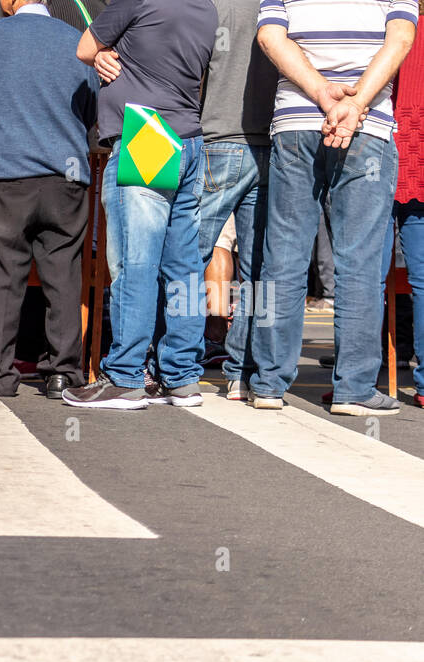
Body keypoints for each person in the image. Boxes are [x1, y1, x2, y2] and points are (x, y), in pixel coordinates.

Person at [251, 0, 416, 416]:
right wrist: (354, 103)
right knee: (358, 261)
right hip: (367, 126)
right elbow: (400, 38)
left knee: (283, 257)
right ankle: (355, 389)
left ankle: (269, 384)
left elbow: (270, 36)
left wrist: (320, 91)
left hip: (295, 121)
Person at [63, 0, 218, 410]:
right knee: (184, 267)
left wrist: (100, 55)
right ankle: (182, 377)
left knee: (135, 264)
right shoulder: (206, 8)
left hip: (145, 134)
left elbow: (82, 47)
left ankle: (125, 375)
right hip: (188, 138)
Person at [0, 0, 98, 400]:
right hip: (66, 175)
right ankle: (62, 374)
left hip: (9, 174)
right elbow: (91, 104)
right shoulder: (77, 41)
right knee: (64, 275)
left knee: (2, 274)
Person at [197, 0, 279, 401]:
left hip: (218, 138)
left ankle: (173, 361)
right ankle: (242, 372)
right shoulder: (281, 7)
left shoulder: (212, 6)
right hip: (274, 141)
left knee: (189, 254)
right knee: (257, 268)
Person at [386, 17, 424, 409]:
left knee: (362, 272)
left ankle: (354, 378)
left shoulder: (385, 26)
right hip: (412, 151)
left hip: (377, 148)